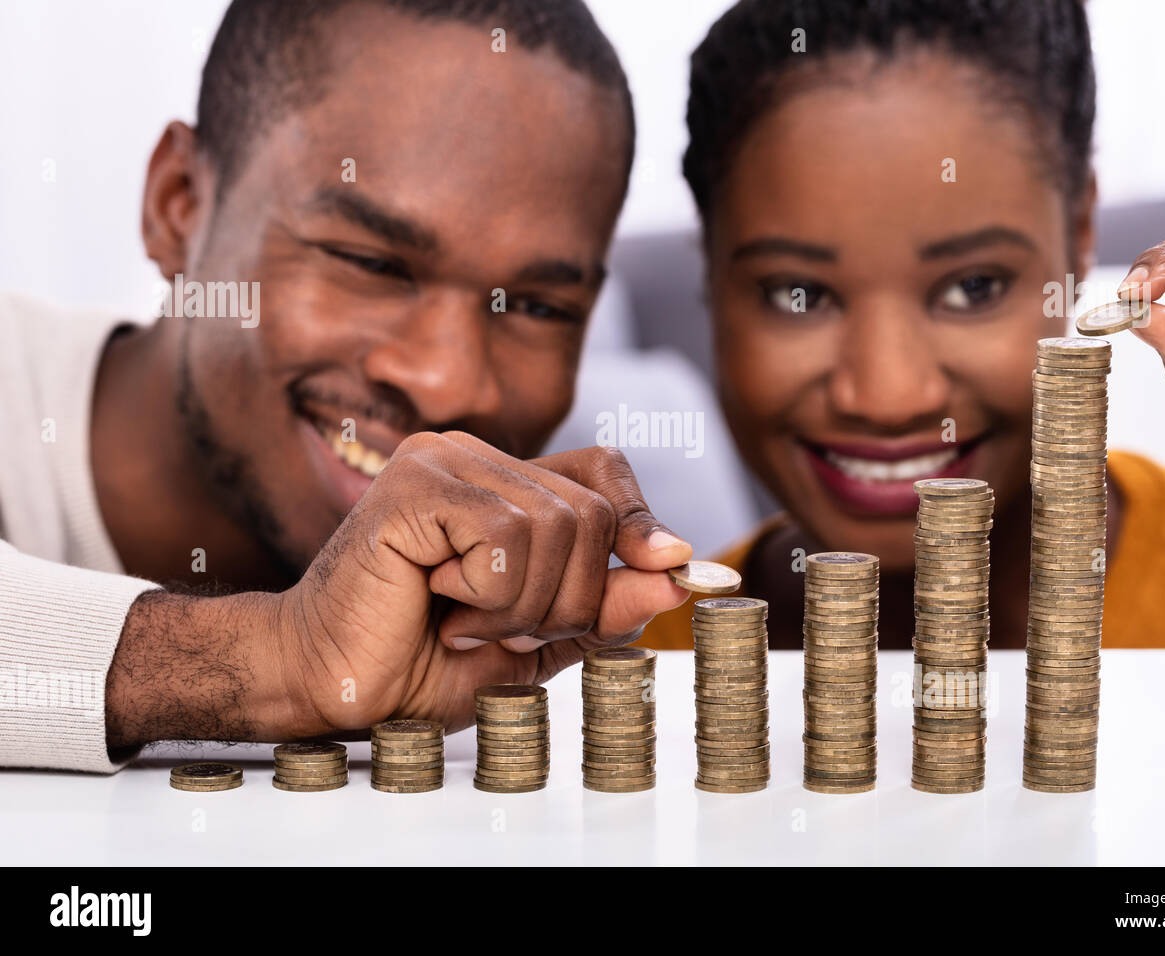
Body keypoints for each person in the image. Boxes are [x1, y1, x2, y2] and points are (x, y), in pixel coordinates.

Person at [0, 0, 696, 773]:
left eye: (535, 307)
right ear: (179, 206)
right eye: (371, 263)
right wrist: (277, 659)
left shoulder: (564, 576)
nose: (446, 380)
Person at [638, 0, 1165, 651]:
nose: (887, 397)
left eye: (972, 287)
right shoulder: (624, 660)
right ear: (709, 271)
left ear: (1079, 235)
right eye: (797, 293)